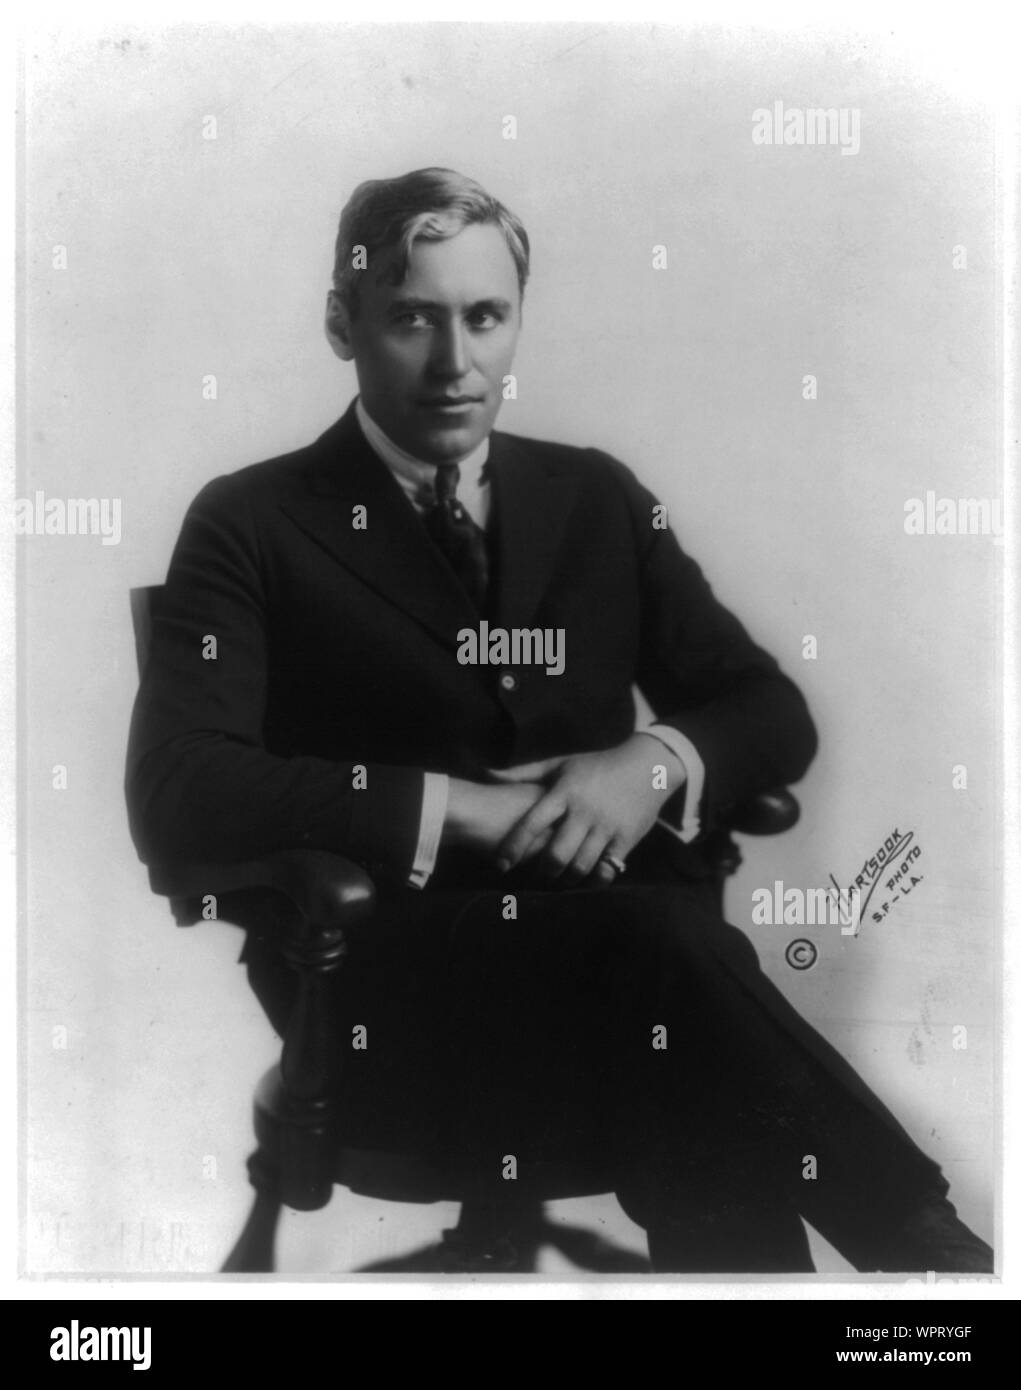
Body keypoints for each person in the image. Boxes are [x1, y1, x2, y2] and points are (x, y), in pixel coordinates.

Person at [125, 167, 992, 1274]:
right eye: (411, 319)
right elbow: (179, 788)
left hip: (630, 992)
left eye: (485, 317)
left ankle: (907, 1267)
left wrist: (654, 761)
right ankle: (930, 1258)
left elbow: (768, 712)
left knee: (680, 1030)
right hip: (391, 1004)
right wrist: (468, 813)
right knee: (673, 973)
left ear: (515, 320)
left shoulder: (592, 497)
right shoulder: (251, 520)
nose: (456, 363)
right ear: (342, 325)